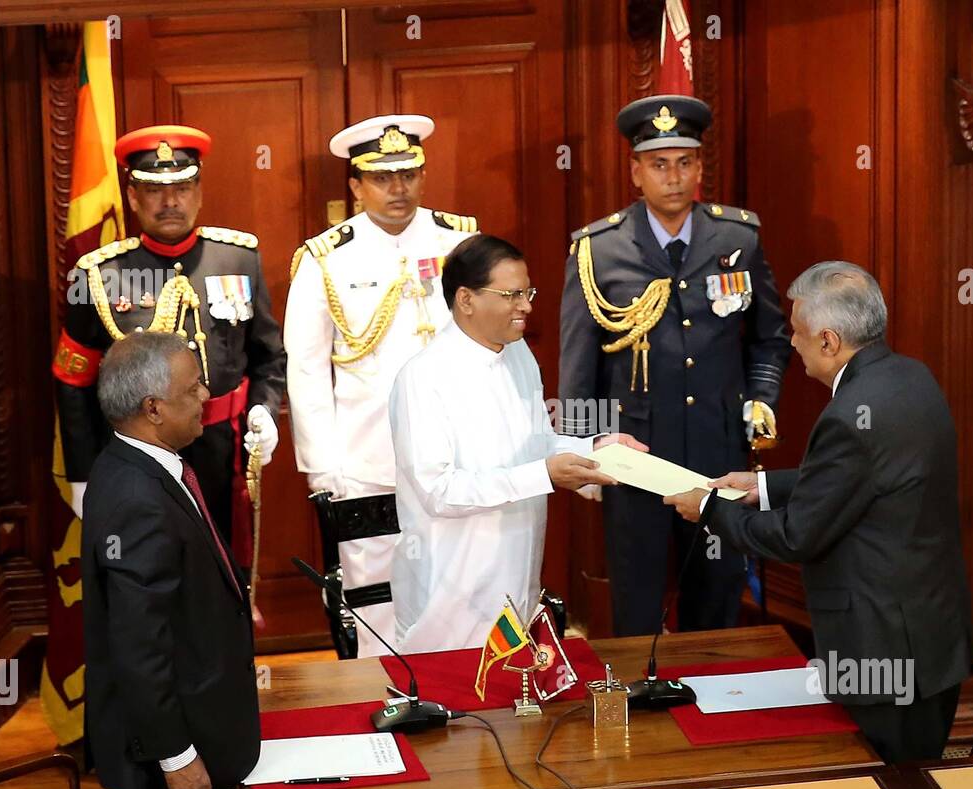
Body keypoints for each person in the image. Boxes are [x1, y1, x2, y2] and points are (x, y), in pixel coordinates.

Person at [665, 261, 973, 763]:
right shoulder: (910, 377)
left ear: (829, 341)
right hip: (929, 639)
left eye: (798, 332)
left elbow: (795, 536)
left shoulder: (849, 417)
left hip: (885, 652)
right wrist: (761, 486)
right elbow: (866, 477)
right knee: (918, 783)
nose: (791, 343)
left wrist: (706, 509)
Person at [558, 94, 790, 635]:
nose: (674, 177)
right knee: (636, 600)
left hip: (718, 448)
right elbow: (578, 362)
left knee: (716, 596)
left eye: (685, 162)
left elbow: (770, 338)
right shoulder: (599, 249)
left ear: (700, 167)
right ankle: (639, 706)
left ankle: (712, 705)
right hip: (634, 456)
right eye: (660, 164)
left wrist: (761, 398)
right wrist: (584, 448)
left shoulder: (737, 238)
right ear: (636, 171)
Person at [390, 235, 648, 653]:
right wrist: (543, 475)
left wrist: (593, 449)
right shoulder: (424, 378)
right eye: (510, 294)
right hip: (452, 582)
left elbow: (536, 441)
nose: (526, 305)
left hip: (518, 570)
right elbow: (439, 491)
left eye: (527, 292)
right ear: (466, 299)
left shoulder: (519, 355)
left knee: (516, 699)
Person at [53, 124, 285, 574]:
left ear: (198, 191)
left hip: (224, 453)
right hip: (137, 455)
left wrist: (264, 410)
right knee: (148, 573)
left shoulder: (237, 258)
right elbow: (73, 380)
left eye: (181, 187)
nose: (170, 201)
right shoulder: (100, 274)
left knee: (225, 575)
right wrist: (82, 475)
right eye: (155, 191)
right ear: (134, 198)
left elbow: (269, 356)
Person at [284, 114, 477, 655]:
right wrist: (324, 469)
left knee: (460, 578)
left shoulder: (462, 242)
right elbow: (306, 370)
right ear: (355, 186)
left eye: (409, 174)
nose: (399, 188)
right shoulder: (325, 259)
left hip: (459, 453)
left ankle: (460, 686)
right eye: (382, 177)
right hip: (368, 458)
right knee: (373, 590)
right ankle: (380, 692)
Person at [82, 332, 260, 789]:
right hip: (166, 759)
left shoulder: (135, 465)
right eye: (193, 389)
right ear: (153, 408)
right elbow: (139, 647)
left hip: (196, 728)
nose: (206, 396)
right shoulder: (137, 497)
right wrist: (176, 758)